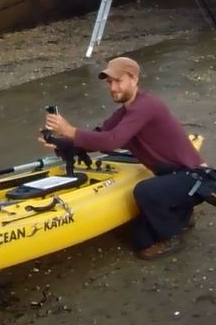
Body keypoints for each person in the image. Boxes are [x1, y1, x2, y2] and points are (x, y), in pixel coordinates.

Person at [42, 56, 207, 260]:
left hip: (195, 177)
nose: (113, 87)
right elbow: (100, 135)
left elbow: (112, 141)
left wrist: (69, 130)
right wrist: (61, 143)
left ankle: (171, 234)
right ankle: (180, 213)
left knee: (145, 197)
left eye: (118, 81)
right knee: (139, 232)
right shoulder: (125, 113)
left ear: (134, 79)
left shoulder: (146, 106)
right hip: (172, 174)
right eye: (110, 82)